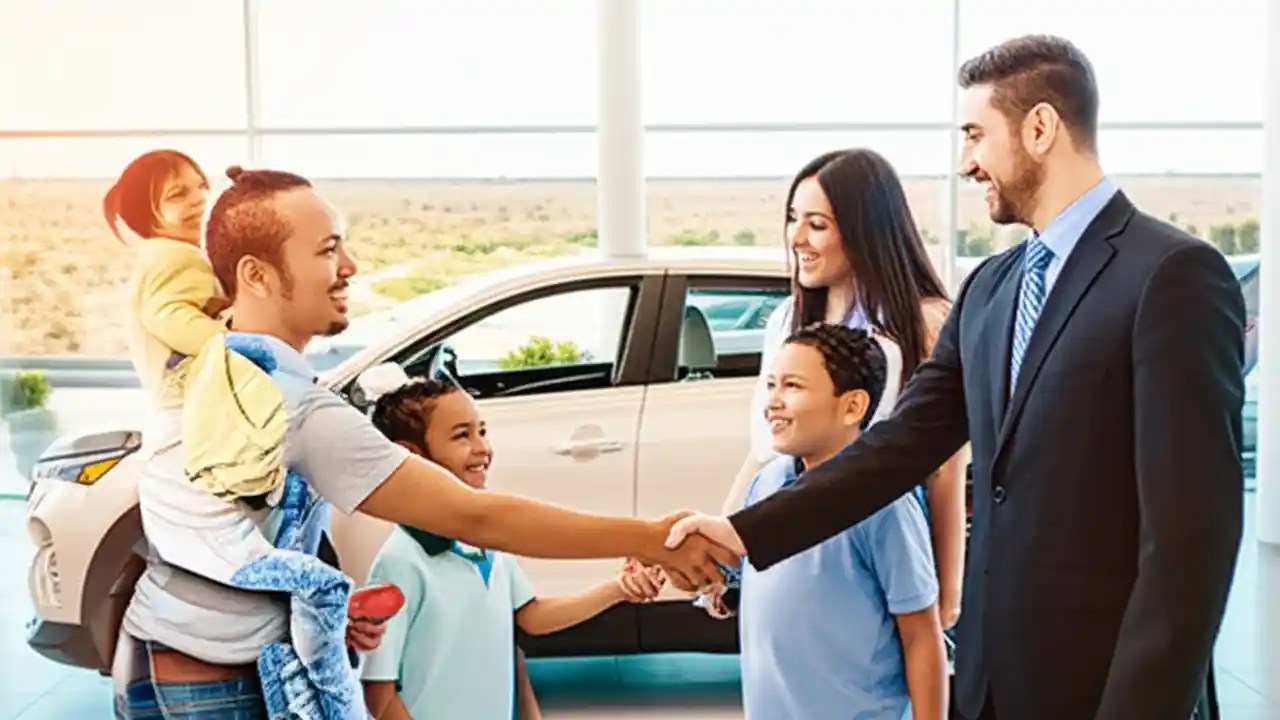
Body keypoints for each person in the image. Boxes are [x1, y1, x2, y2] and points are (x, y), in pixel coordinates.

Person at [667, 34, 1245, 720]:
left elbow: (1191, 545)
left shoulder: (1171, 275)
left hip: (1104, 688)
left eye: (975, 135)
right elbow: (899, 447)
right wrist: (744, 531)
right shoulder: (992, 289)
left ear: (1039, 128)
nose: (967, 162)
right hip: (993, 683)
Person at [114, 166, 735, 718]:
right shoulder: (283, 399)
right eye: (329, 250)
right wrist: (652, 538)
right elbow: (476, 515)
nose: (350, 266)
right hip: (202, 687)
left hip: (185, 665)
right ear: (256, 274)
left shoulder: (222, 364)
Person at [721, 148, 967, 631]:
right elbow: (763, 452)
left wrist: (945, 596)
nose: (797, 238)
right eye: (793, 219)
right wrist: (725, 552)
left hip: (877, 553)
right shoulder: (786, 321)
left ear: (863, 230)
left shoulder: (924, 324)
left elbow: (945, 470)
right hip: (787, 549)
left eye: (817, 224)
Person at [357, 368, 667, 719]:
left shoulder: (491, 544)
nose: (482, 448)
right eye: (462, 436)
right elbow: (379, 694)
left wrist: (618, 590)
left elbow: (531, 620)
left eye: (482, 431)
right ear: (410, 455)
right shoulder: (401, 563)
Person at [730, 323, 947, 719]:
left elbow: (921, 636)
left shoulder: (884, 503)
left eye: (793, 387)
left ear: (852, 406)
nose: (773, 402)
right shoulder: (767, 483)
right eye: (771, 386)